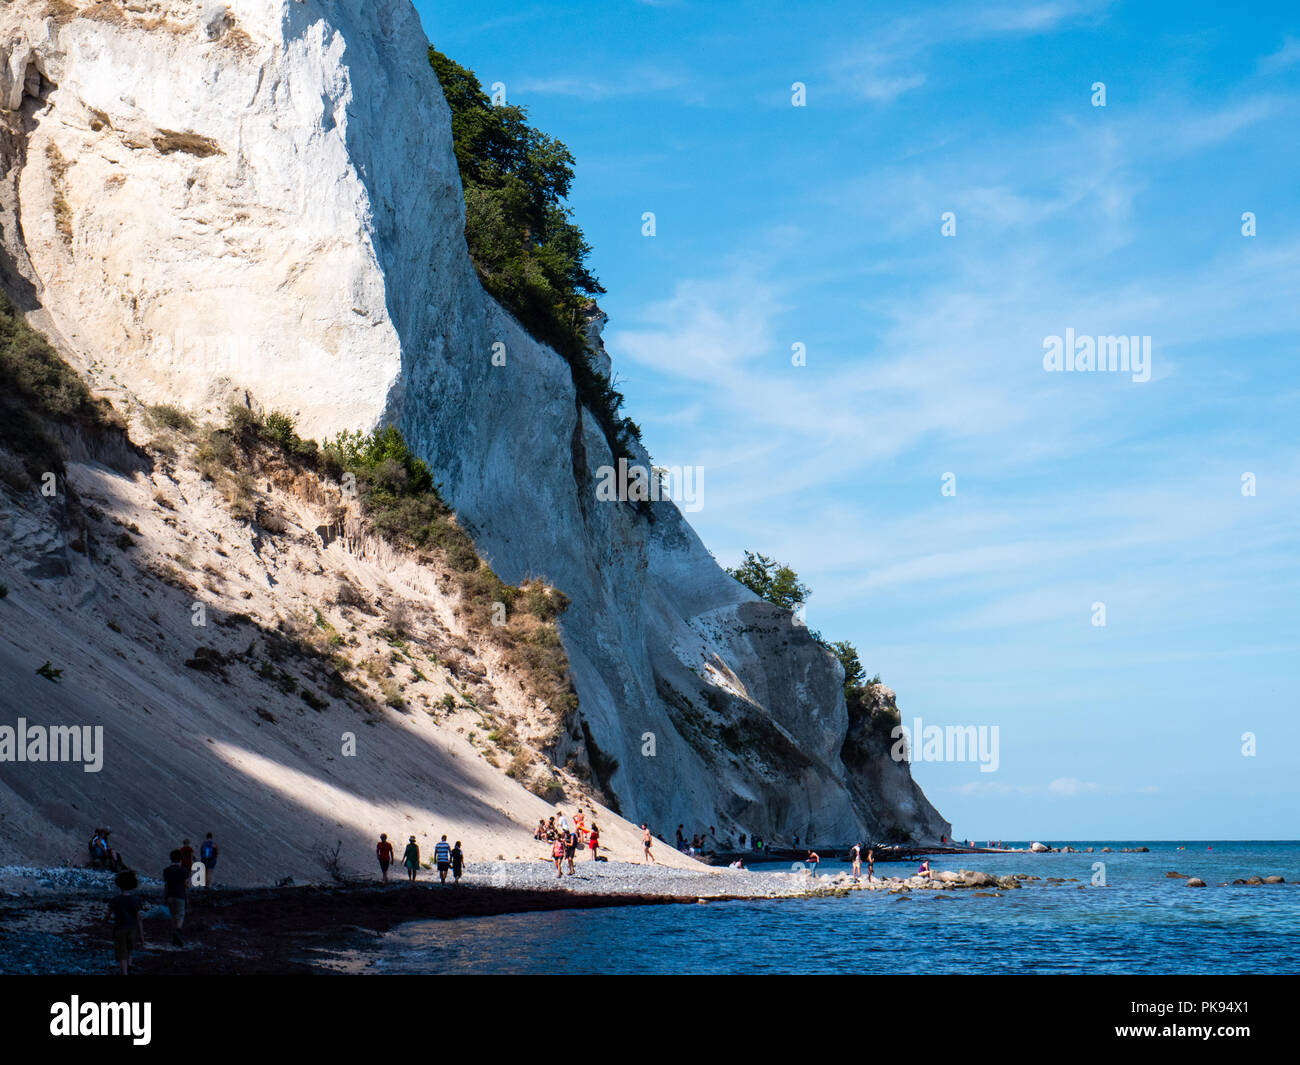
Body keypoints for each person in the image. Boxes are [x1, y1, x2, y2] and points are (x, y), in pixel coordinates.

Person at [107, 869, 145, 975]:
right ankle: (130, 966)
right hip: (132, 929)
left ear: (119, 884)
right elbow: (139, 918)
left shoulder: (115, 900)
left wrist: (104, 921)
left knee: (121, 953)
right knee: (129, 949)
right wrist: (142, 935)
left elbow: (108, 914)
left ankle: (124, 972)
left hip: (119, 929)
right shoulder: (136, 900)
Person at [163, 849, 188, 947]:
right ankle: (177, 933)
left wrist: (165, 897)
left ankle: (174, 939)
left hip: (170, 895)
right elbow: (186, 885)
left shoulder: (166, 871)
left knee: (173, 916)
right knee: (180, 916)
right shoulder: (184, 870)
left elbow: (166, 886)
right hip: (180, 895)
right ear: (180, 859)